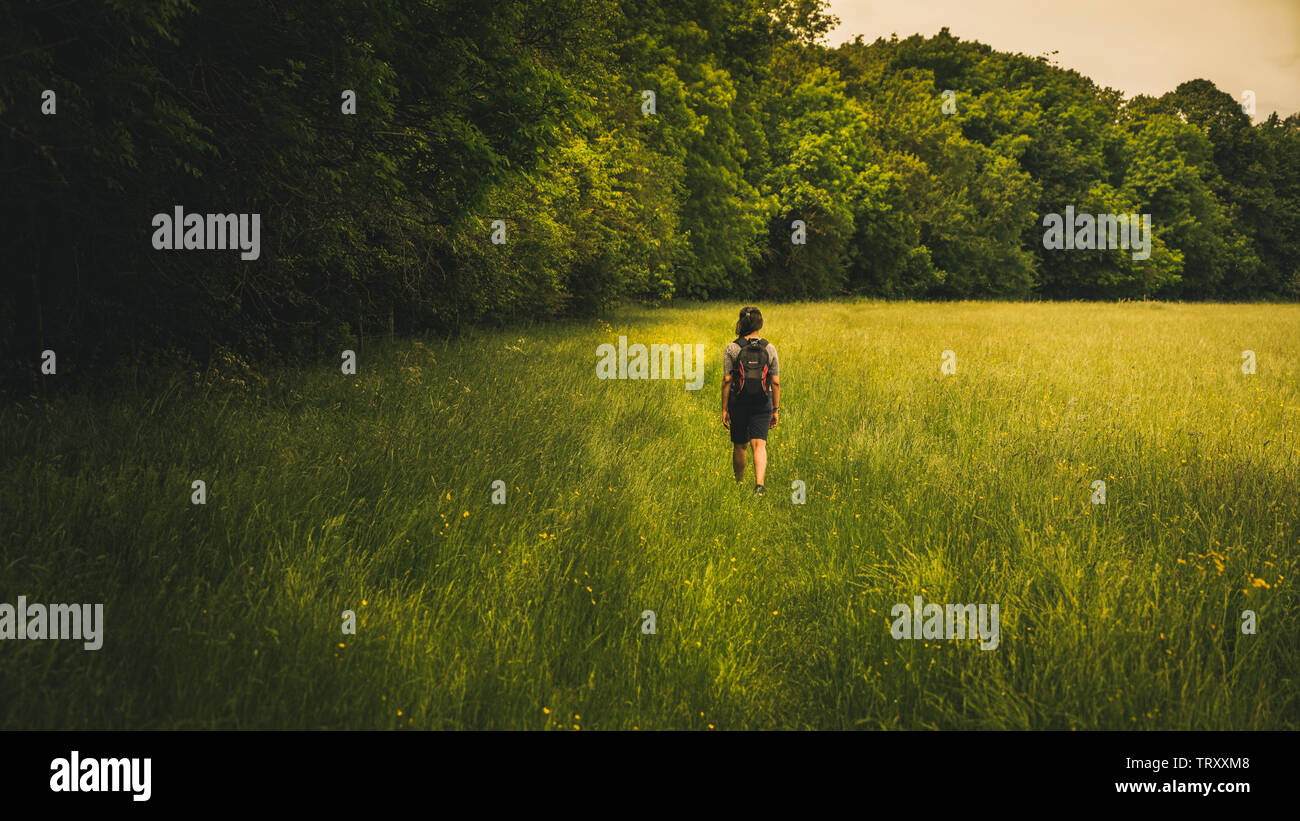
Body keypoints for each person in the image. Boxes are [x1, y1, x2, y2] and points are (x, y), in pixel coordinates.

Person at [721, 306, 780, 496]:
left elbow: (727, 380)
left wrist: (725, 409)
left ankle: (738, 485)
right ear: (759, 323)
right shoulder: (769, 348)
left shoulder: (732, 348)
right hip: (763, 401)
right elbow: (776, 382)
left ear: (741, 323)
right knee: (759, 444)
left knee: (740, 445)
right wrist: (775, 409)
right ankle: (759, 486)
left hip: (738, 401)